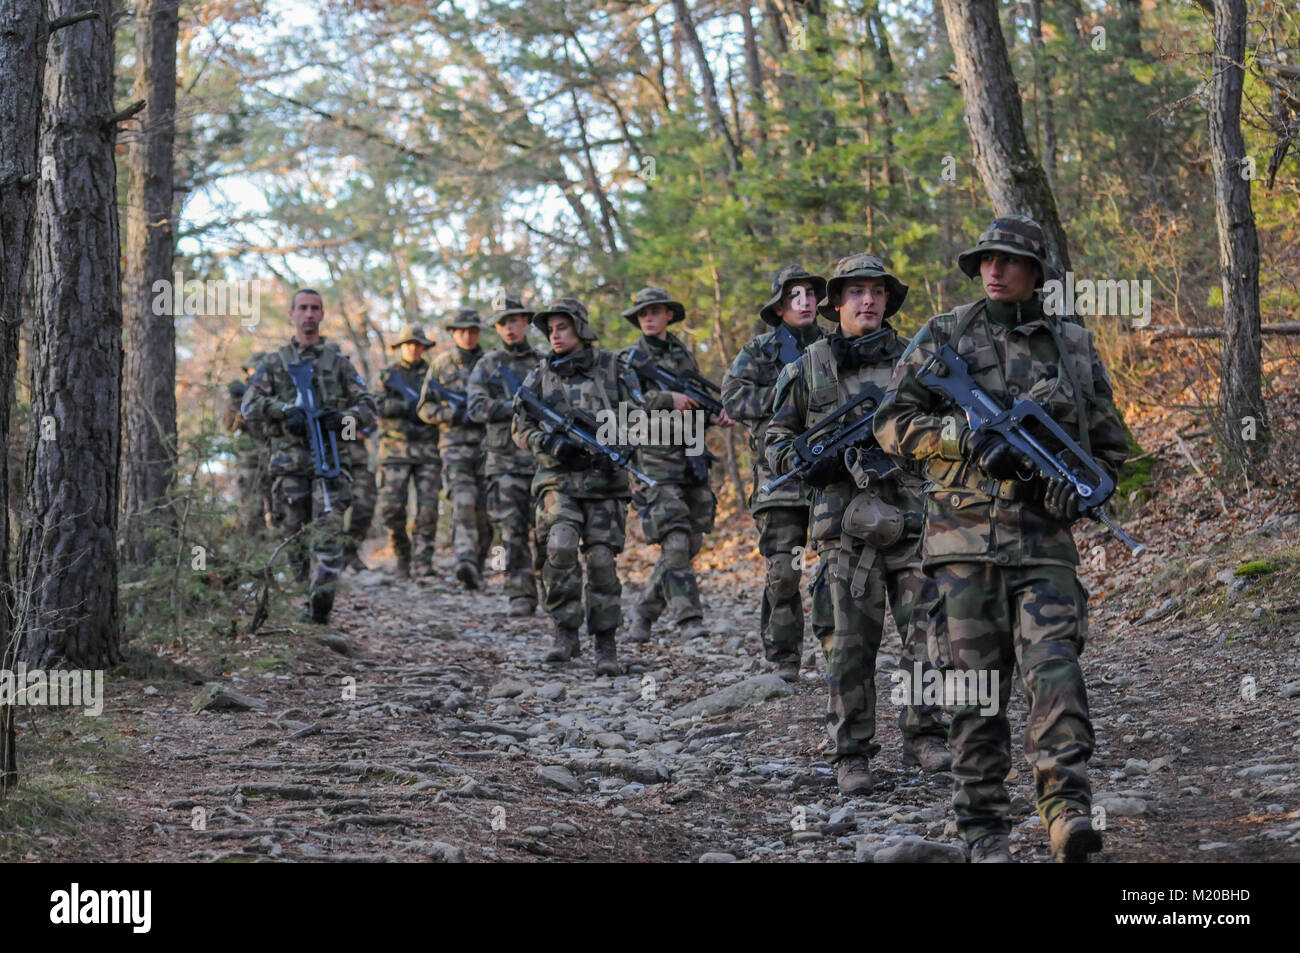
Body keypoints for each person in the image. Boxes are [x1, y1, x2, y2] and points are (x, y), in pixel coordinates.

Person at [874, 215, 1129, 863]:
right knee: (973, 691)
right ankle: (982, 827)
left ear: (1036, 272)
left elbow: (1109, 446)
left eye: (1010, 260)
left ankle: (1066, 811)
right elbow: (889, 423)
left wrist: (1088, 484)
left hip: (1044, 543)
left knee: (1056, 672)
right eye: (987, 258)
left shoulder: (1072, 346)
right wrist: (959, 438)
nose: (995, 268)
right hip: (961, 548)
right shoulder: (944, 336)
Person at [766, 254, 950, 796]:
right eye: (855, 292)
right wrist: (809, 462)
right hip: (843, 528)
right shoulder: (806, 368)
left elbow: (951, 429)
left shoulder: (920, 363)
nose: (866, 300)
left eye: (876, 291)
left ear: (888, 300)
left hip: (916, 519)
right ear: (837, 303)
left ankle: (926, 734)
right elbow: (774, 443)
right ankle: (852, 753)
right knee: (848, 643)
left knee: (929, 635)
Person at [511, 297, 639, 675]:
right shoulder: (540, 374)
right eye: (550, 330)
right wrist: (547, 443)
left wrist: (613, 439)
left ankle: (605, 643)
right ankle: (565, 631)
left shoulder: (613, 367)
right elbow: (519, 426)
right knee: (560, 546)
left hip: (606, 483)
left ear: (580, 327)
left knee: (601, 561)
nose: (555, 335)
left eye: (562, 327)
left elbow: (639, 416)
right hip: (557, 480)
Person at [721, 265, 834, 683]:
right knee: (785, 570)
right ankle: (784, 658)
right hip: (779, 476)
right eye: (794, 295)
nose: (804, 301)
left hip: (832, 472)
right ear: (780, 305)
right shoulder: (759, 350)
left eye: (809, 294)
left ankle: (838, 653)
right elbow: (732, 399)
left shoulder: (834, 344)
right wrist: (788, 390)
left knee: (836, 568)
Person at [241, 288, 377, 623]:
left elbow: (369, 406)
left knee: (329, 533)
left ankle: (321, 606)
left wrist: (344, 419)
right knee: (293, 539)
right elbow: (249, 406)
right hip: (289, 467)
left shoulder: (339, 363)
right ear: (292, 313)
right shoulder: (274, 363)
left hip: (330, 464)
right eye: (303, 308)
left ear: (323, 314)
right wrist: (283, 410)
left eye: (315, 308)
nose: (309, 314)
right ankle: (305, 598)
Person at [619, 286, 733, 643]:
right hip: (652, 461)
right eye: (643, 313)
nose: (649, 318)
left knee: (692, 540)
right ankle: (689, 619)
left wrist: (715, 415)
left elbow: (695, 402)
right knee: (676, 539)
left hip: (690, 456)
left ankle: (643, 612)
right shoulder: (628, 358)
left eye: (655, 311)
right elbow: (625, 404)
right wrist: (668, 398)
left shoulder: (683, 354)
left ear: (669, 314)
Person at [466, 296, 544, 616]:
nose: (509, 328)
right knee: (510, 532)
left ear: (525, 321)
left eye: (514, 321)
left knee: (548, 533)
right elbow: (474, 407)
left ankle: (554, 592)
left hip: (542, 460)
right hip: (503, 462)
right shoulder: (487, 364)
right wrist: (513, 406)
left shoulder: (543, 361)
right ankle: (519, 594)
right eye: (502, 323)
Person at [421, 308, 491, 589]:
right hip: (455, 446)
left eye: (473, 330)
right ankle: (465, 561)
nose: (468, 335)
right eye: (462, 330)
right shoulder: (440, 365)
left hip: (490, 447)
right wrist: (452, 415)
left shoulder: (491, 362)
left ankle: (479, 565)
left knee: (486, 511)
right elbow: (425, 407)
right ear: (453, 334)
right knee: (462, 502)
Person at [377, 324, 442, 578]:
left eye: (418, 344)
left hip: (428, 451)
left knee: (428, 509)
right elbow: (372, 403)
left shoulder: (433, 373)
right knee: (391, 509)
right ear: (401, 347)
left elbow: (442, 403)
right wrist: (404, 405)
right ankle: (403, 555)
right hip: (394, 450)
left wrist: (429, 410)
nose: (413, 349)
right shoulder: (387, 374)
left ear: (424, 346)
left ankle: (423, 560)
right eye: (408, 344)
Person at [224, 354, 271, 535]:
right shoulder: (241, 395)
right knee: (252, 504)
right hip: (249, 458)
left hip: (275, 456)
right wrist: (237, 406)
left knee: (281, 504)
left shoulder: (275, 390)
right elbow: (229, 426)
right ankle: (255, 545)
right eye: (251, 370)